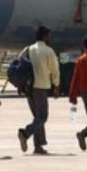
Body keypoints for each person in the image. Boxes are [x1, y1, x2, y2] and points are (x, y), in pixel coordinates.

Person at [17, 26, 59, 155]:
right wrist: (56, 85)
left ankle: (38, 146)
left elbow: (19, 66)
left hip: (29, 87)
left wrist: (20, 84)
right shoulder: (48, 51)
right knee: (42, 117)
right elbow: (54, 70)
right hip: (41, 87)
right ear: (45, 37)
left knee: (37, 117)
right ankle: (25, 133)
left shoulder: (28, 49)